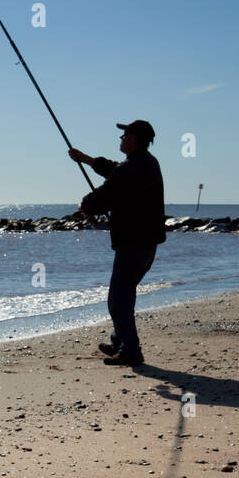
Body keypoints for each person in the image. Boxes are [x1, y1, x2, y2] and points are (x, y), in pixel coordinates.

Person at [68, 120, 166, 367]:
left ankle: (131, 351)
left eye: (124, 135)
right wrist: (87, 159)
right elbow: (115, 171)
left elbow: (105, 193)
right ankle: (119, 343)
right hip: (146, 243)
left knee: (118, 299)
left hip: (133, 243)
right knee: (124, 294)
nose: (121, 139)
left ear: (134, 139)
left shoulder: (133, 168)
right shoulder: (146, 163)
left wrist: (85, 205)